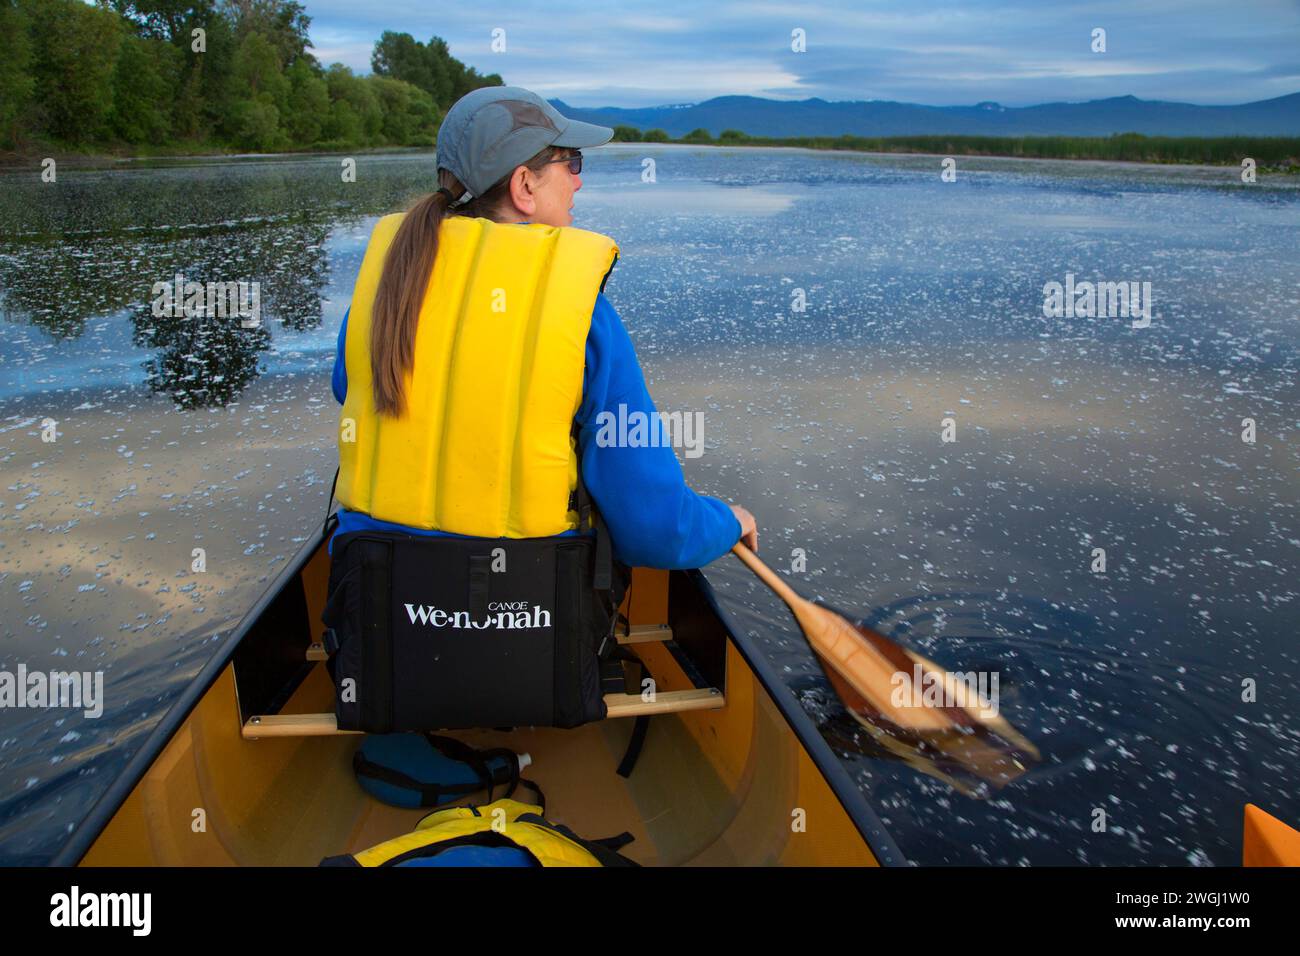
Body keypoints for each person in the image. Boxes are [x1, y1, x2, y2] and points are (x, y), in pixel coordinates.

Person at [329, 86, 758, 567]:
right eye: (571, 162)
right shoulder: (584, 317)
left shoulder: (388, 291)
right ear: (524, 187)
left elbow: (354, 394)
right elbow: (655, 532)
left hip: (375, 607)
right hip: (525, 615)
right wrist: (727, 520)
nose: (579, 182)